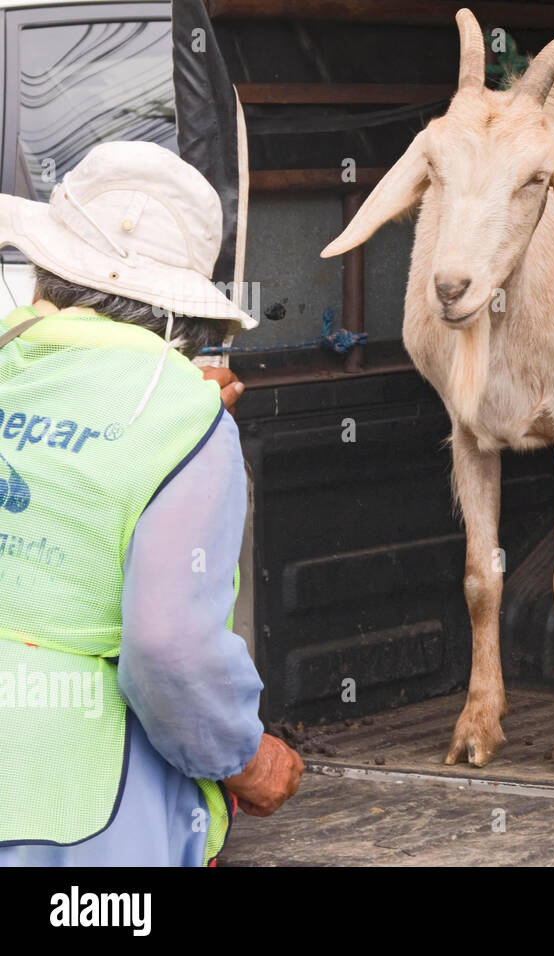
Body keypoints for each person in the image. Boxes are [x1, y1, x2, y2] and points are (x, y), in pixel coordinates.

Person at [0, 141, 302, 866]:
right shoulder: (186, 419)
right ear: (180, 314)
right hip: (75, 809)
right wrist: (243, 756)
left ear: (49, 269)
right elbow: (169, 649)